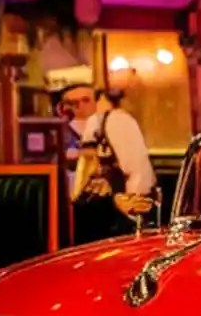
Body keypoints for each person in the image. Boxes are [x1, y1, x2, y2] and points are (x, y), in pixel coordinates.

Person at [73, 89, 157, 242]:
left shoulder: (96, 121)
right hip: (142, 201)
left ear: (101, 99)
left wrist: (76, 197)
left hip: (115, 207)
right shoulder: (129, 120)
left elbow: (87, 163)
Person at [55, 83, 99, 194]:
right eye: (72, 102)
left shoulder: (108, 126)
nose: (79, 105)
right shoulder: (59, 131)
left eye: (85, 100)